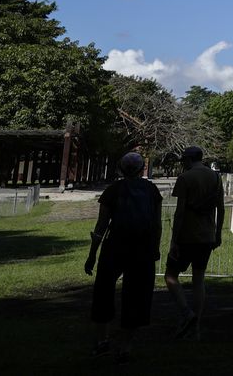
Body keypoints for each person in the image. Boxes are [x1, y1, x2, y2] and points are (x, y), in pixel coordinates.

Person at [85, 151, 162, 363]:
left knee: (103, 291)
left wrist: (92, 254)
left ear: (120, 169)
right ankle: (126, 346)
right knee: (136, 296)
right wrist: (155, 248)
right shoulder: (151, 190)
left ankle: (102, 341)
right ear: (141, 169)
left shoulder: (113, 190)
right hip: (143, 248)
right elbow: (157, 224)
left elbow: (101, 225)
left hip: (115, 246)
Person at [163, 145, 225, 340]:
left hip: (187, 236)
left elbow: (180, 212)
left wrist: (174, 240)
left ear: (188, 160)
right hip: (206, 235)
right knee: (199, 280)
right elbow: (221, 209)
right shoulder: (215, 177)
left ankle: (186, 313)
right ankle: (196, 328)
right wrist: (218, 233)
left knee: (170, 275)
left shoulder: (185, 178)